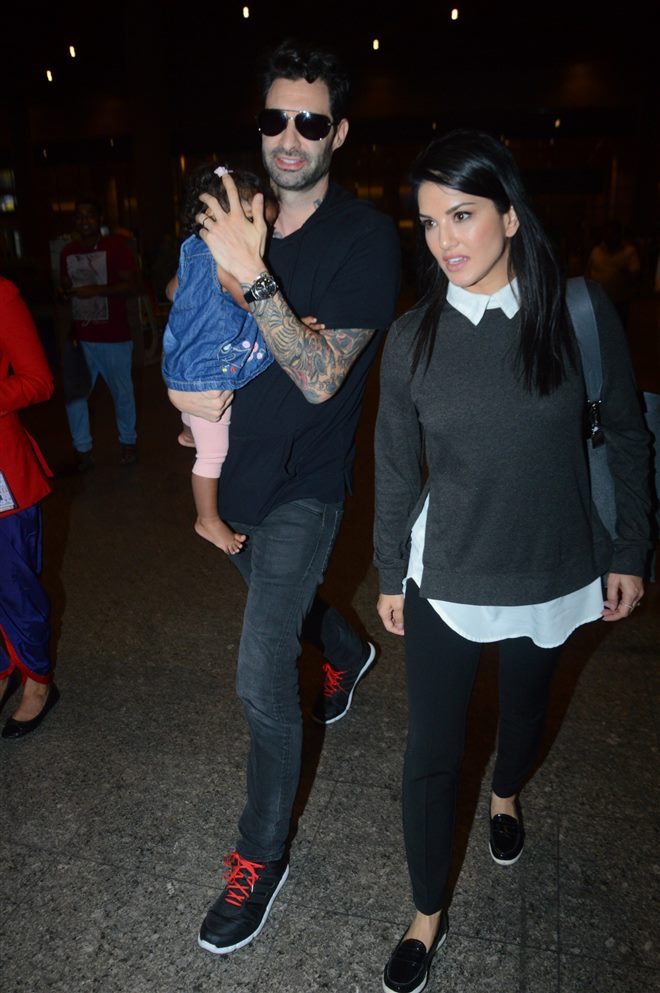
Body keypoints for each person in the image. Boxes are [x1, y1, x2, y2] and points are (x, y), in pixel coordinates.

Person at [373, 130, 652, 993]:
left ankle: (504, 792)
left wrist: (630, 549)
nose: (444, 239)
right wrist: (389, 570)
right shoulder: (412, 337)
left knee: (526, 711)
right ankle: (426, 913)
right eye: (428, 222)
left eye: (462, 214)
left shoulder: (577, 314)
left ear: (510, 215)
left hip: (554, 566)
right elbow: (394, 465)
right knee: (430, 749)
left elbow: (628, 434)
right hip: (446, 572)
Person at [167, 39, 401, 954]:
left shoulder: (365, 239)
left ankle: (260, 855)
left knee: (262, 672)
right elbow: (194, 318)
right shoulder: (236, 213)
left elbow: (318, 377)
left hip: (306, 486)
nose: (290, 137)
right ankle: (346, 649)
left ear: (336, 133)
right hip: (238, 476)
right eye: (276, 118)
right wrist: (195, 405)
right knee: (288, 605)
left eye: (311, 120)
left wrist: (253, 270)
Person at [162, 164, 278, 553]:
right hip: (209, 373)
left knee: (196, 421)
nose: (263, 234)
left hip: (181, 360)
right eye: (255, 222)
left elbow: (171, 291)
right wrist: (292, 322)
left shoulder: (191, 250)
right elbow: (252, 301)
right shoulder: (227, 260)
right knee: (213, 455)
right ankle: (207, 519)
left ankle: (187, 430)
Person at [0, 276, 60, 739]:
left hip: (3, 476)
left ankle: (38, 680)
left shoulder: (2, 294)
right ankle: (4, 670)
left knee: (14, 584)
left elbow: (39, 382)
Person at [59, 198, 140, 470]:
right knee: (75, 396)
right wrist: (65, 292)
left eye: (90, 215)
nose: (85, 221)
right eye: (80, 216)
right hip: (81, 338)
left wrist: (96, 291)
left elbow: (132, 286)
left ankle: (128, 443)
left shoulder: (116, 248)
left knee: (122, 394)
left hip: (114, 337)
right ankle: (82, 450)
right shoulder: (68, 252)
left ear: (100, 219)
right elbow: (65, 288)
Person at [585, 219, 641, 329]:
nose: (610, 236)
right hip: (599, 302)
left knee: (619, 330)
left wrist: (626, 274)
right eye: (607, 233)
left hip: (620, 302)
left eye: (613, 233)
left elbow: (636, 274)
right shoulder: (596, 251)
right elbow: (588, 272)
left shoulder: (629, 252)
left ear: (619, 234)